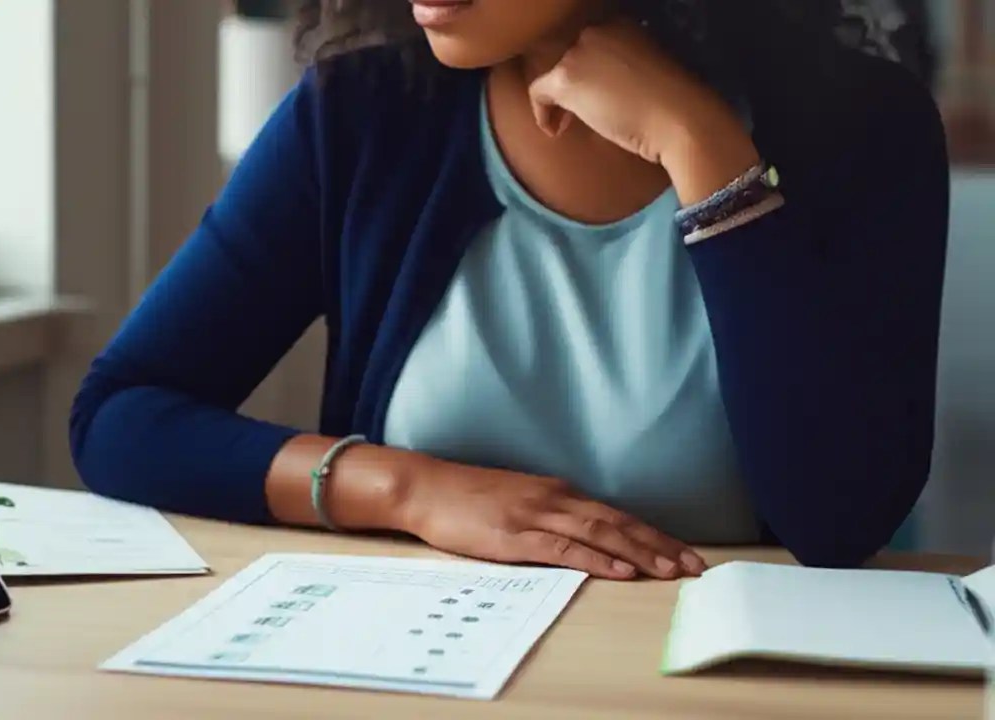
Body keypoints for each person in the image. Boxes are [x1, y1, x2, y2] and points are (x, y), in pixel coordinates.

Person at [71, 0, 949, 580]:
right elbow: (120, 415)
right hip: (411, 669)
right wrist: (405, 489)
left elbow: (839, 521)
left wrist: (701, 147)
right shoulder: (361, 117)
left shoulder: (865, 130)